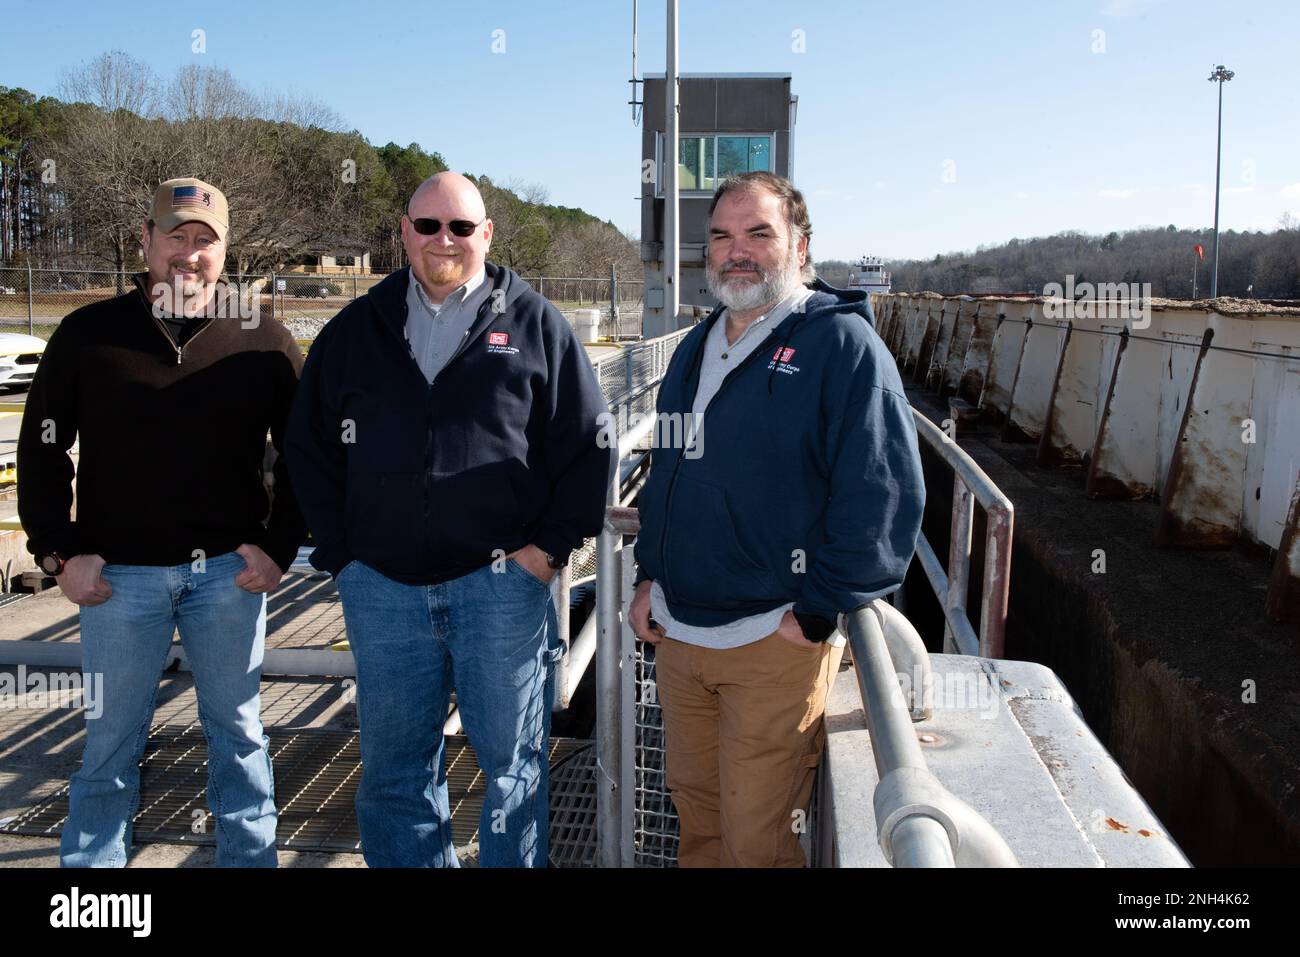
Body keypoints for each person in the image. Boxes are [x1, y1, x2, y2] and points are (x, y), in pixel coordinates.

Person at [286, 172, 611, 868]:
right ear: (403, 231)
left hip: (500, 589)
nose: (444, 239)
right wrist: (342, 552)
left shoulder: (535, 323)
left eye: (461, 227)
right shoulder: (355, 329)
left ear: (486, 235)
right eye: (428, 224)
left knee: (513, 771)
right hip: (384, 590)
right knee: (396, 773)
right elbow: (307, 448)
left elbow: (588, 446)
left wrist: (547, 550)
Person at [629, 171, 925, 867]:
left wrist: (817, 612)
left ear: (799, 245)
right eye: (723, 237)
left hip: (772, 641)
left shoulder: (841, 347)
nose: (738, 251)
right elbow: (667, 471)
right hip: (678, 631)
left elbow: (881, 496)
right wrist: (648, 577)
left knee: (760, 839)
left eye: (759, 233)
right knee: (697, 822)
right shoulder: (698, 344)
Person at [19, 176, 307, 867]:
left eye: (204, 239)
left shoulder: (261, 336)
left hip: (226, 583)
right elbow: (43, 445)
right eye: (174, 235)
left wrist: (276, 546)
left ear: (224, 250)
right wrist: (59, 550)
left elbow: (306, 453)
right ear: (145, 240)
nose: (189, 252)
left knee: (238, 737)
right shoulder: (89, 334)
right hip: (119, 581)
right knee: (109, 745)